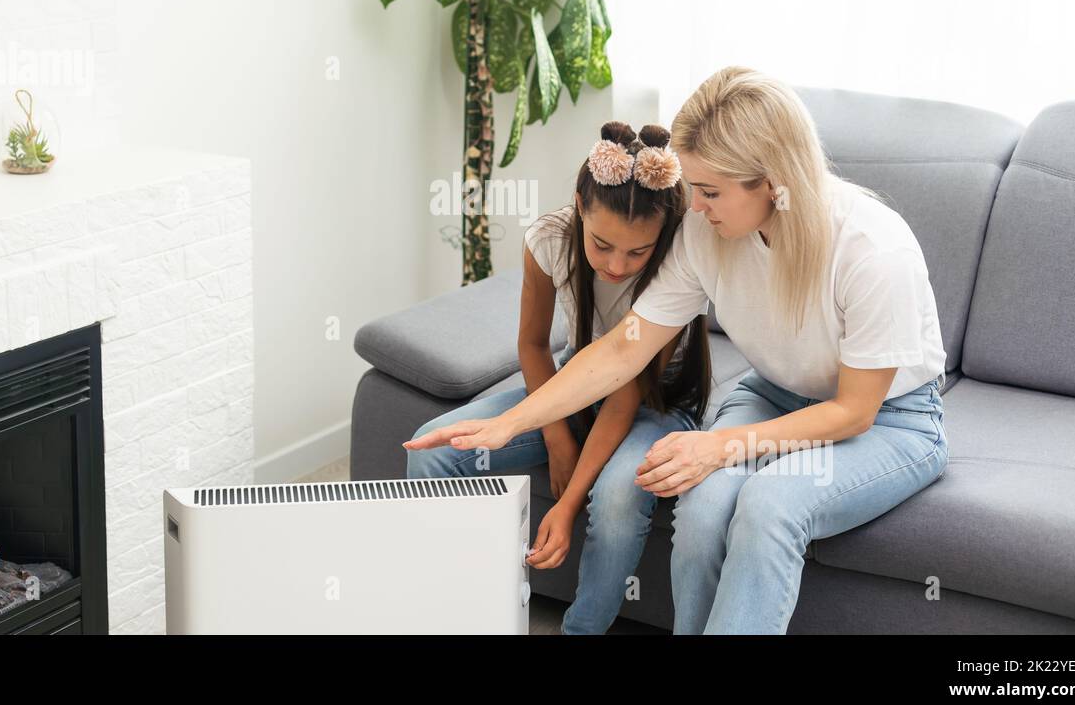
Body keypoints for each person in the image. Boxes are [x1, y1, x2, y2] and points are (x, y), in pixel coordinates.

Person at [406, 66, 949, 634]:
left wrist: (722, 447)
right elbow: (623, 350)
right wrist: (509, 423)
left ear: (771, 180)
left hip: (888, 422)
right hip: (772, 396)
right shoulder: (704, 232)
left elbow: (854, 410)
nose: (694, 207)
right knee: (703, 506)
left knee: (769, 507)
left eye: (710, 192)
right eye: (693, 188)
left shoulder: (873, 250)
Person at [405, 121, 712, 634]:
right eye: (602, 244)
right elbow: (531, 344)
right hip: (573, 386)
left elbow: (624, 389)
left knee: (615, 497)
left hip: (653, 405)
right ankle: (465, 613)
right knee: (432, 447)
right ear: (578, 205)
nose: (617, 265)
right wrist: (556, 435)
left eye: (637, 252)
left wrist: (569, 504)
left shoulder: (679, 260)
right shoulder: (548, 238)